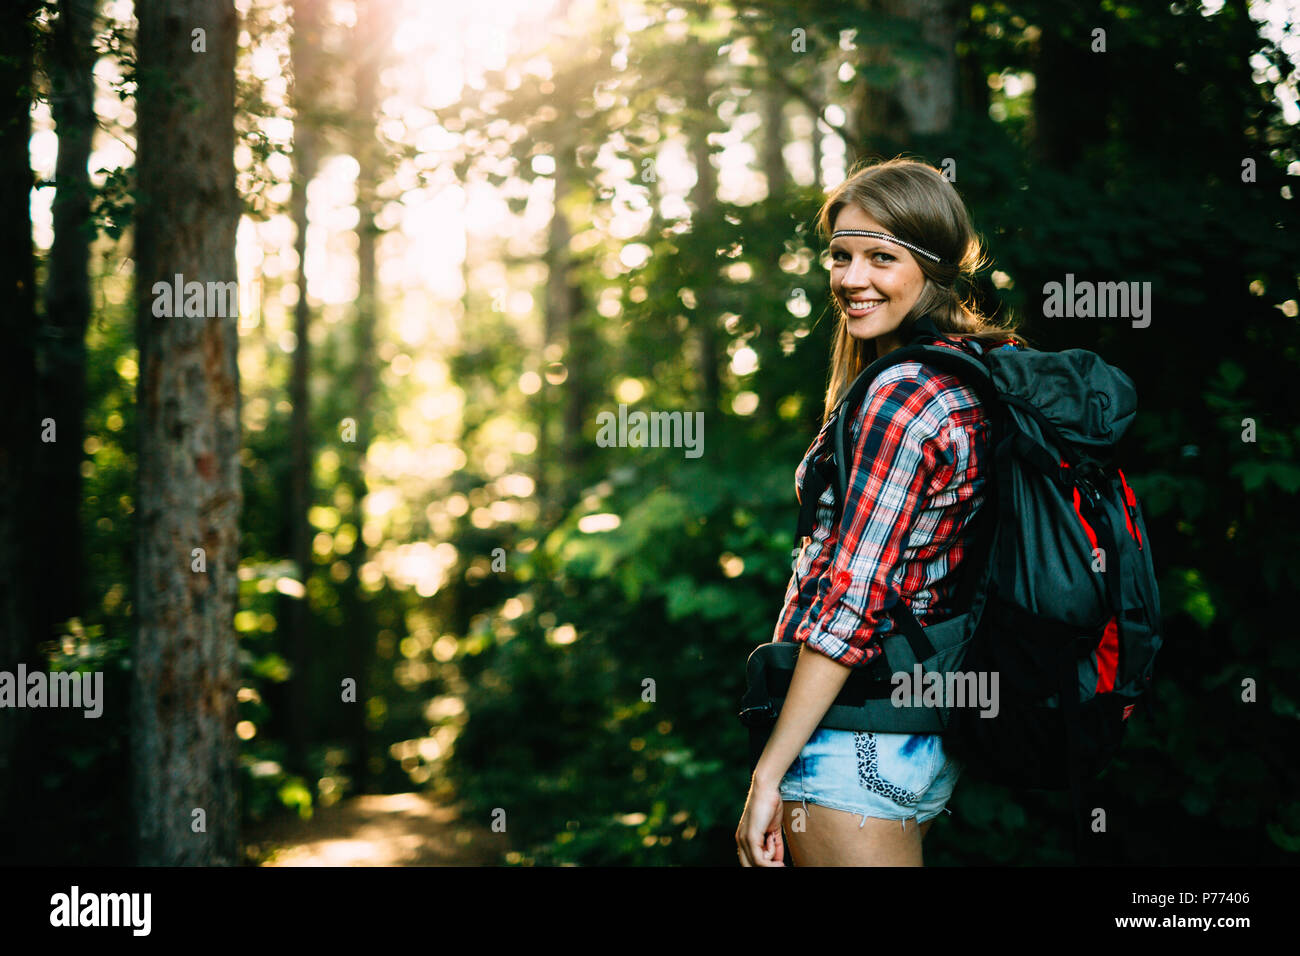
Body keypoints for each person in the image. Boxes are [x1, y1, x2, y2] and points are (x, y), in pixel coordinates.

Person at [736, 157, 1026, 867]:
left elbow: (853, 598)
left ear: (931, 266)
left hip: (850, 739)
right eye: (840, 255)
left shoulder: (902, 394)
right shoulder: (974, 371)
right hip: (923, 734)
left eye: (881, 257)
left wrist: (769, 771)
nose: (850, 278)